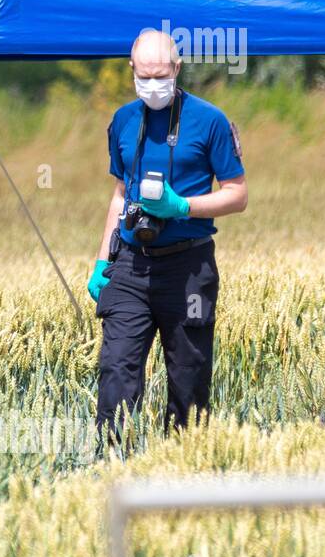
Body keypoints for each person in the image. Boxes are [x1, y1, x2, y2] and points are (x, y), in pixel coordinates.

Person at [88, 29, 248, 435]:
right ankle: (112, 466)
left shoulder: (210, 121)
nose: (153, 84)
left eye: (162, 75)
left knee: (188, 377)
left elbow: (237, 195)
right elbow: (120, 194)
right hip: (130, 266)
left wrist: (182, 206)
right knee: (116, 371)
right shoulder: (123, 120)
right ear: (132, 71)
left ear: (177, 69)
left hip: (188, 266)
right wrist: (101, 262)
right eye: (145, 75)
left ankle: (183, 468)